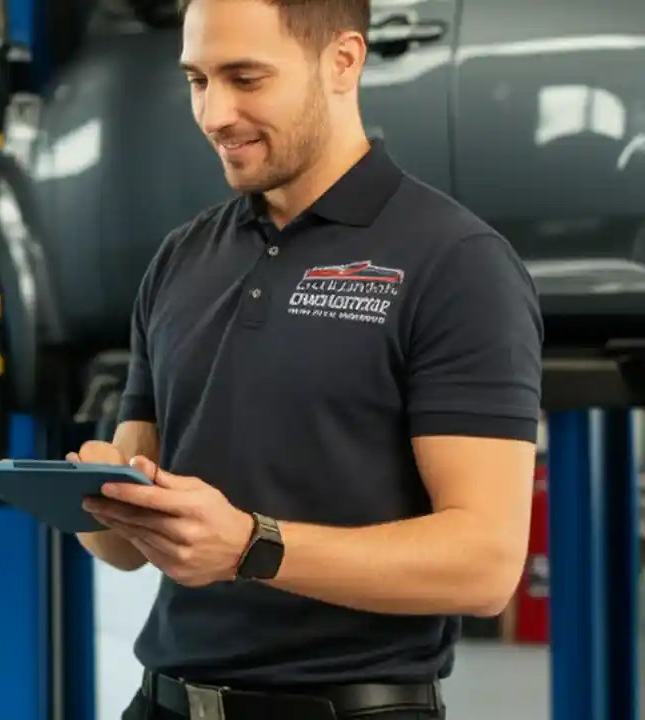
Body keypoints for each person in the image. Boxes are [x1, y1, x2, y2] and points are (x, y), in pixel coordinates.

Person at [70, 1, 542, 718]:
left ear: (344, 61)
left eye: (246, 78)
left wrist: (251, 548)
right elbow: (130, 547)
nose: (215, 114)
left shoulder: (456, 263)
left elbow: (484, 564)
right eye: (198, 80)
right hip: (162, 702)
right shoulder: (181, 259)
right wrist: (98, 500)